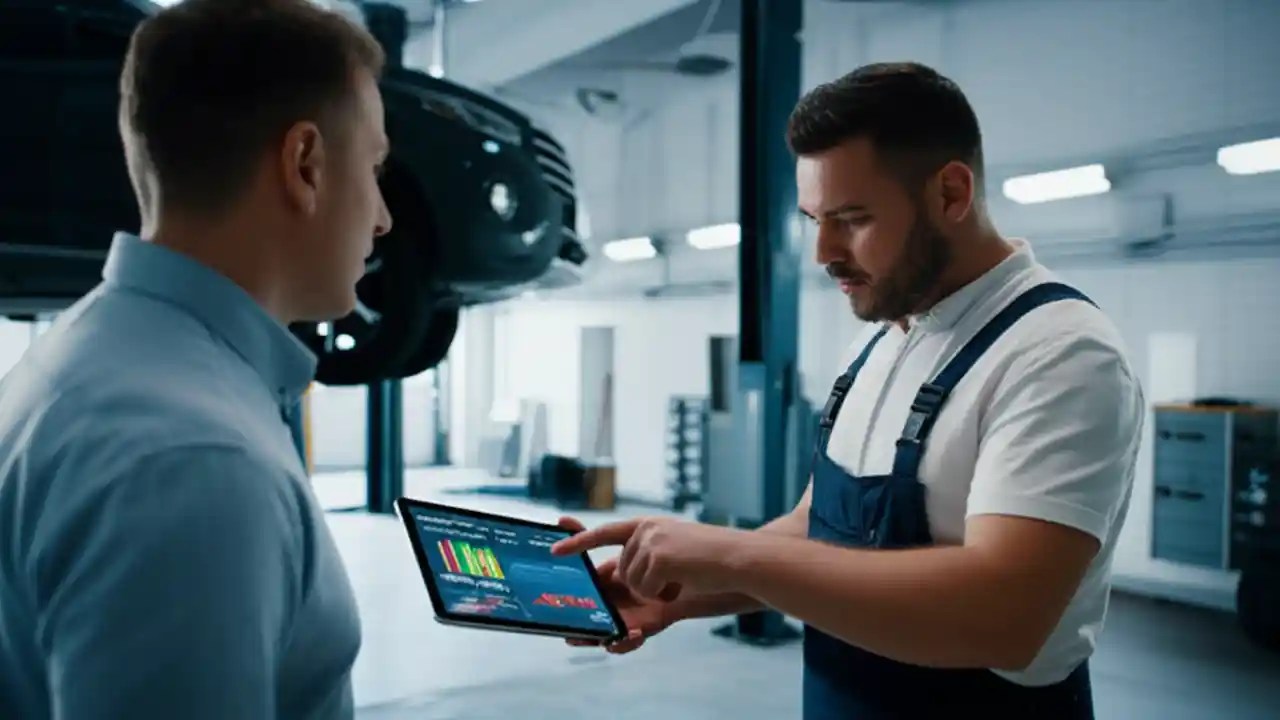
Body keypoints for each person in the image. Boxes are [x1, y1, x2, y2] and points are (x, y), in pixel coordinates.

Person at [554, 62, 1144, 719]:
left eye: (853, 218)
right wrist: (676, 593)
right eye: (814, 220)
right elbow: (817, 533)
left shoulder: (1058, 353)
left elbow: (1002, 616)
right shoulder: (888, 338)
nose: (824, 252)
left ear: (951, 193)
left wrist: (732, 552)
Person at [0, 1, 391, 718]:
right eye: (373, 168)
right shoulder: (199, 461)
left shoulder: (90, 351)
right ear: (304, 164)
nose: (383, 216)